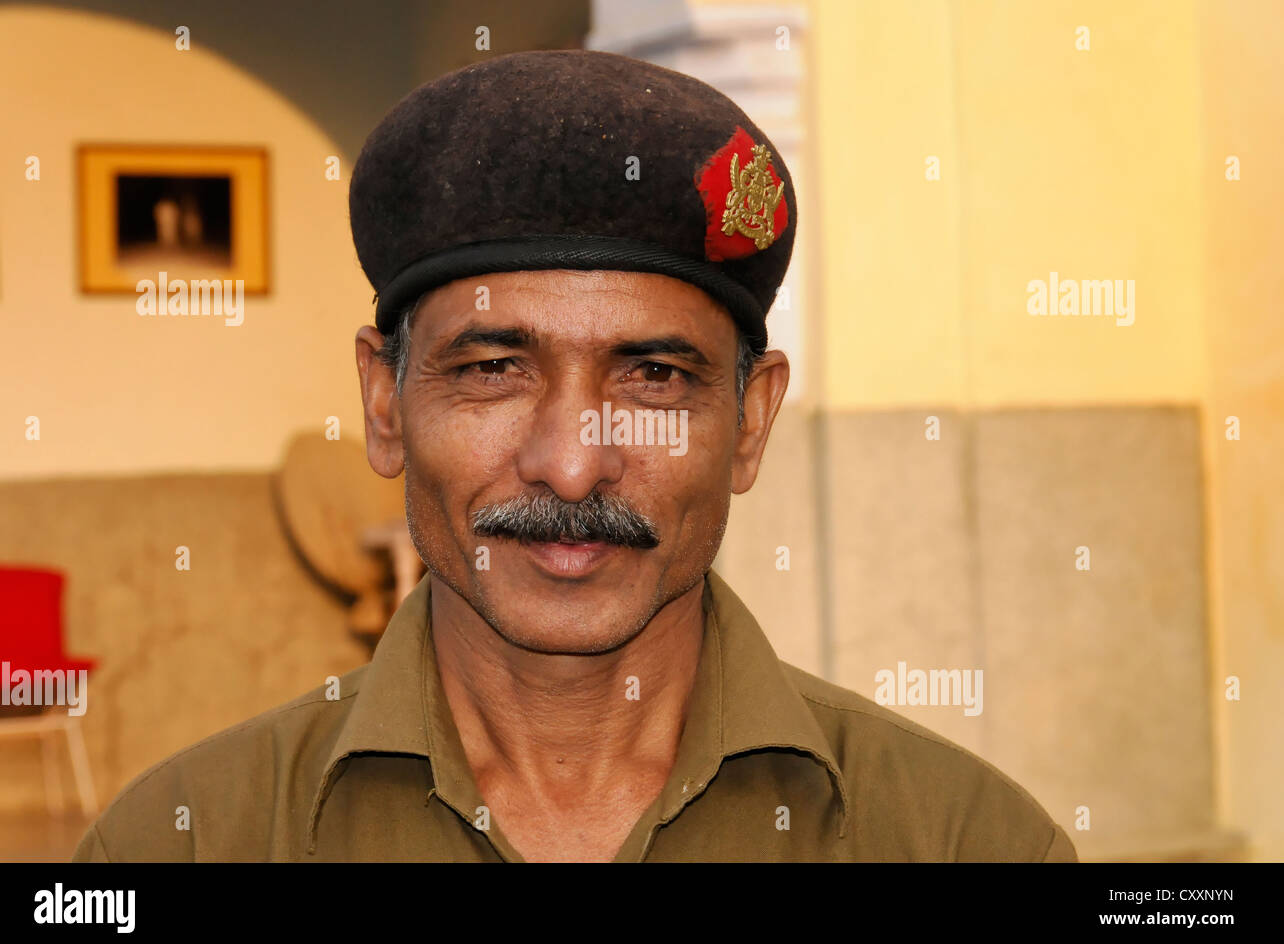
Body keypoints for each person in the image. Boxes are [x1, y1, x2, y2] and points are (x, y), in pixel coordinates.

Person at [73, 49, 1075, 862]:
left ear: (751, 420)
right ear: (384, 401)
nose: (569, 463)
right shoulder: (185, 841)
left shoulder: (958, 839)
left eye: (653, 377)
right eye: (495, 367)